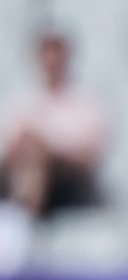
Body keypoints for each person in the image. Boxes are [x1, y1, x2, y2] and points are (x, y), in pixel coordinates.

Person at [0, 28, 108, 218]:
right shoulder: (22, 103)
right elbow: (9, 151)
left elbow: (89, 155)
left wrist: (45, 148)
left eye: (56, 58)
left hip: (65, 179)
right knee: (28, 153)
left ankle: (22, 215)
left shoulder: (86, 103)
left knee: (33, 152)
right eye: (47, 57)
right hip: (22, 171)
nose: (51, 64)